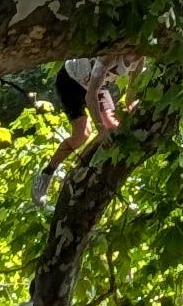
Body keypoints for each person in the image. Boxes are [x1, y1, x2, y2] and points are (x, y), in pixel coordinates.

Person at [31, 46, 139, 210]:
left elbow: (131, 91)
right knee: (82, 134)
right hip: (71, 82)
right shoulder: (109, 57)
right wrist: (100, 128)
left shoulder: (140, 59)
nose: (137, 57)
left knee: (114, 128)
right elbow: (90, 96)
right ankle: (46, 174)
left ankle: (84, 167)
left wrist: (133, 107)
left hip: (97, 87)